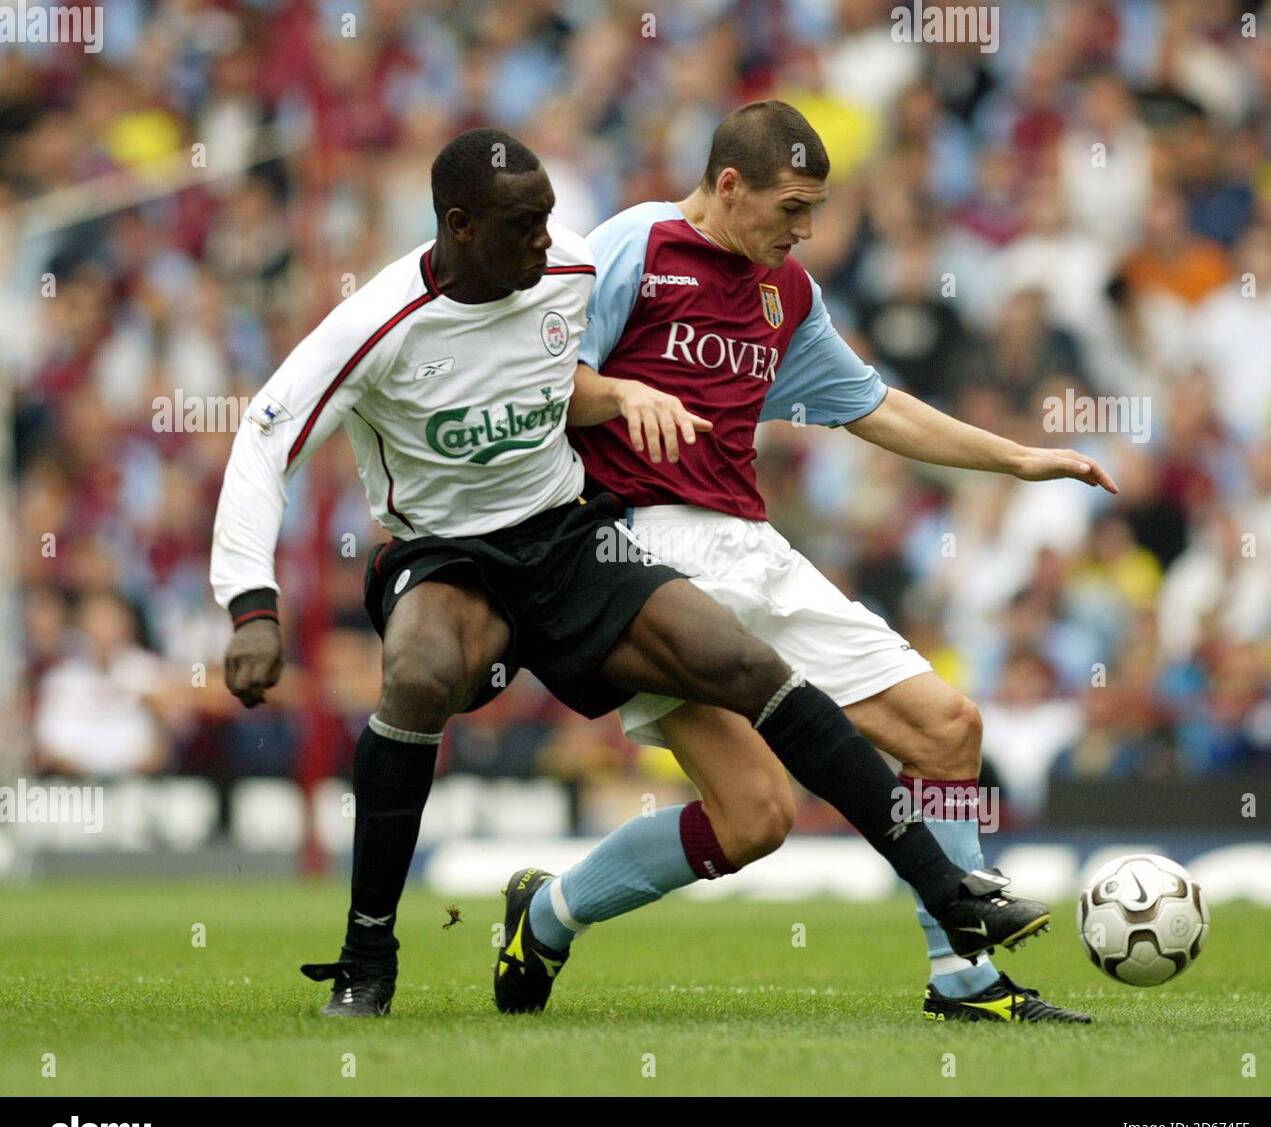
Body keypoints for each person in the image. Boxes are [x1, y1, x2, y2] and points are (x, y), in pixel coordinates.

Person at [210, 127, 1049, 1017]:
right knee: (419, 679)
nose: (547, 239)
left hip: (570, 537)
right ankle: (366, 955)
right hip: (450, 553)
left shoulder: (566, 270)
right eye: (524, 225)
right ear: (459, 226)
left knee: (750, 683)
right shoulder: (378, 322)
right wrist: (252, 606)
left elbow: (573, 380)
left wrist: (627, 393)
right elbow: (265, 444)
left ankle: (952, 902)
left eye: (547, 220)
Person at [513, 101, 1114, 1023]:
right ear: (728, 185)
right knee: (759, 817)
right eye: (791, 207)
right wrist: (625, 393)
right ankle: (549, 920)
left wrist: (1019, 457)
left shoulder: (787, 292)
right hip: (634, 560)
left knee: (943, 730)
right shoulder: (632, 244)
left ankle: (962, 980)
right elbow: (547, 384)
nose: (805, 230)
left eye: (816, 209)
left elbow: (876, 405)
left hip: (748, 546)